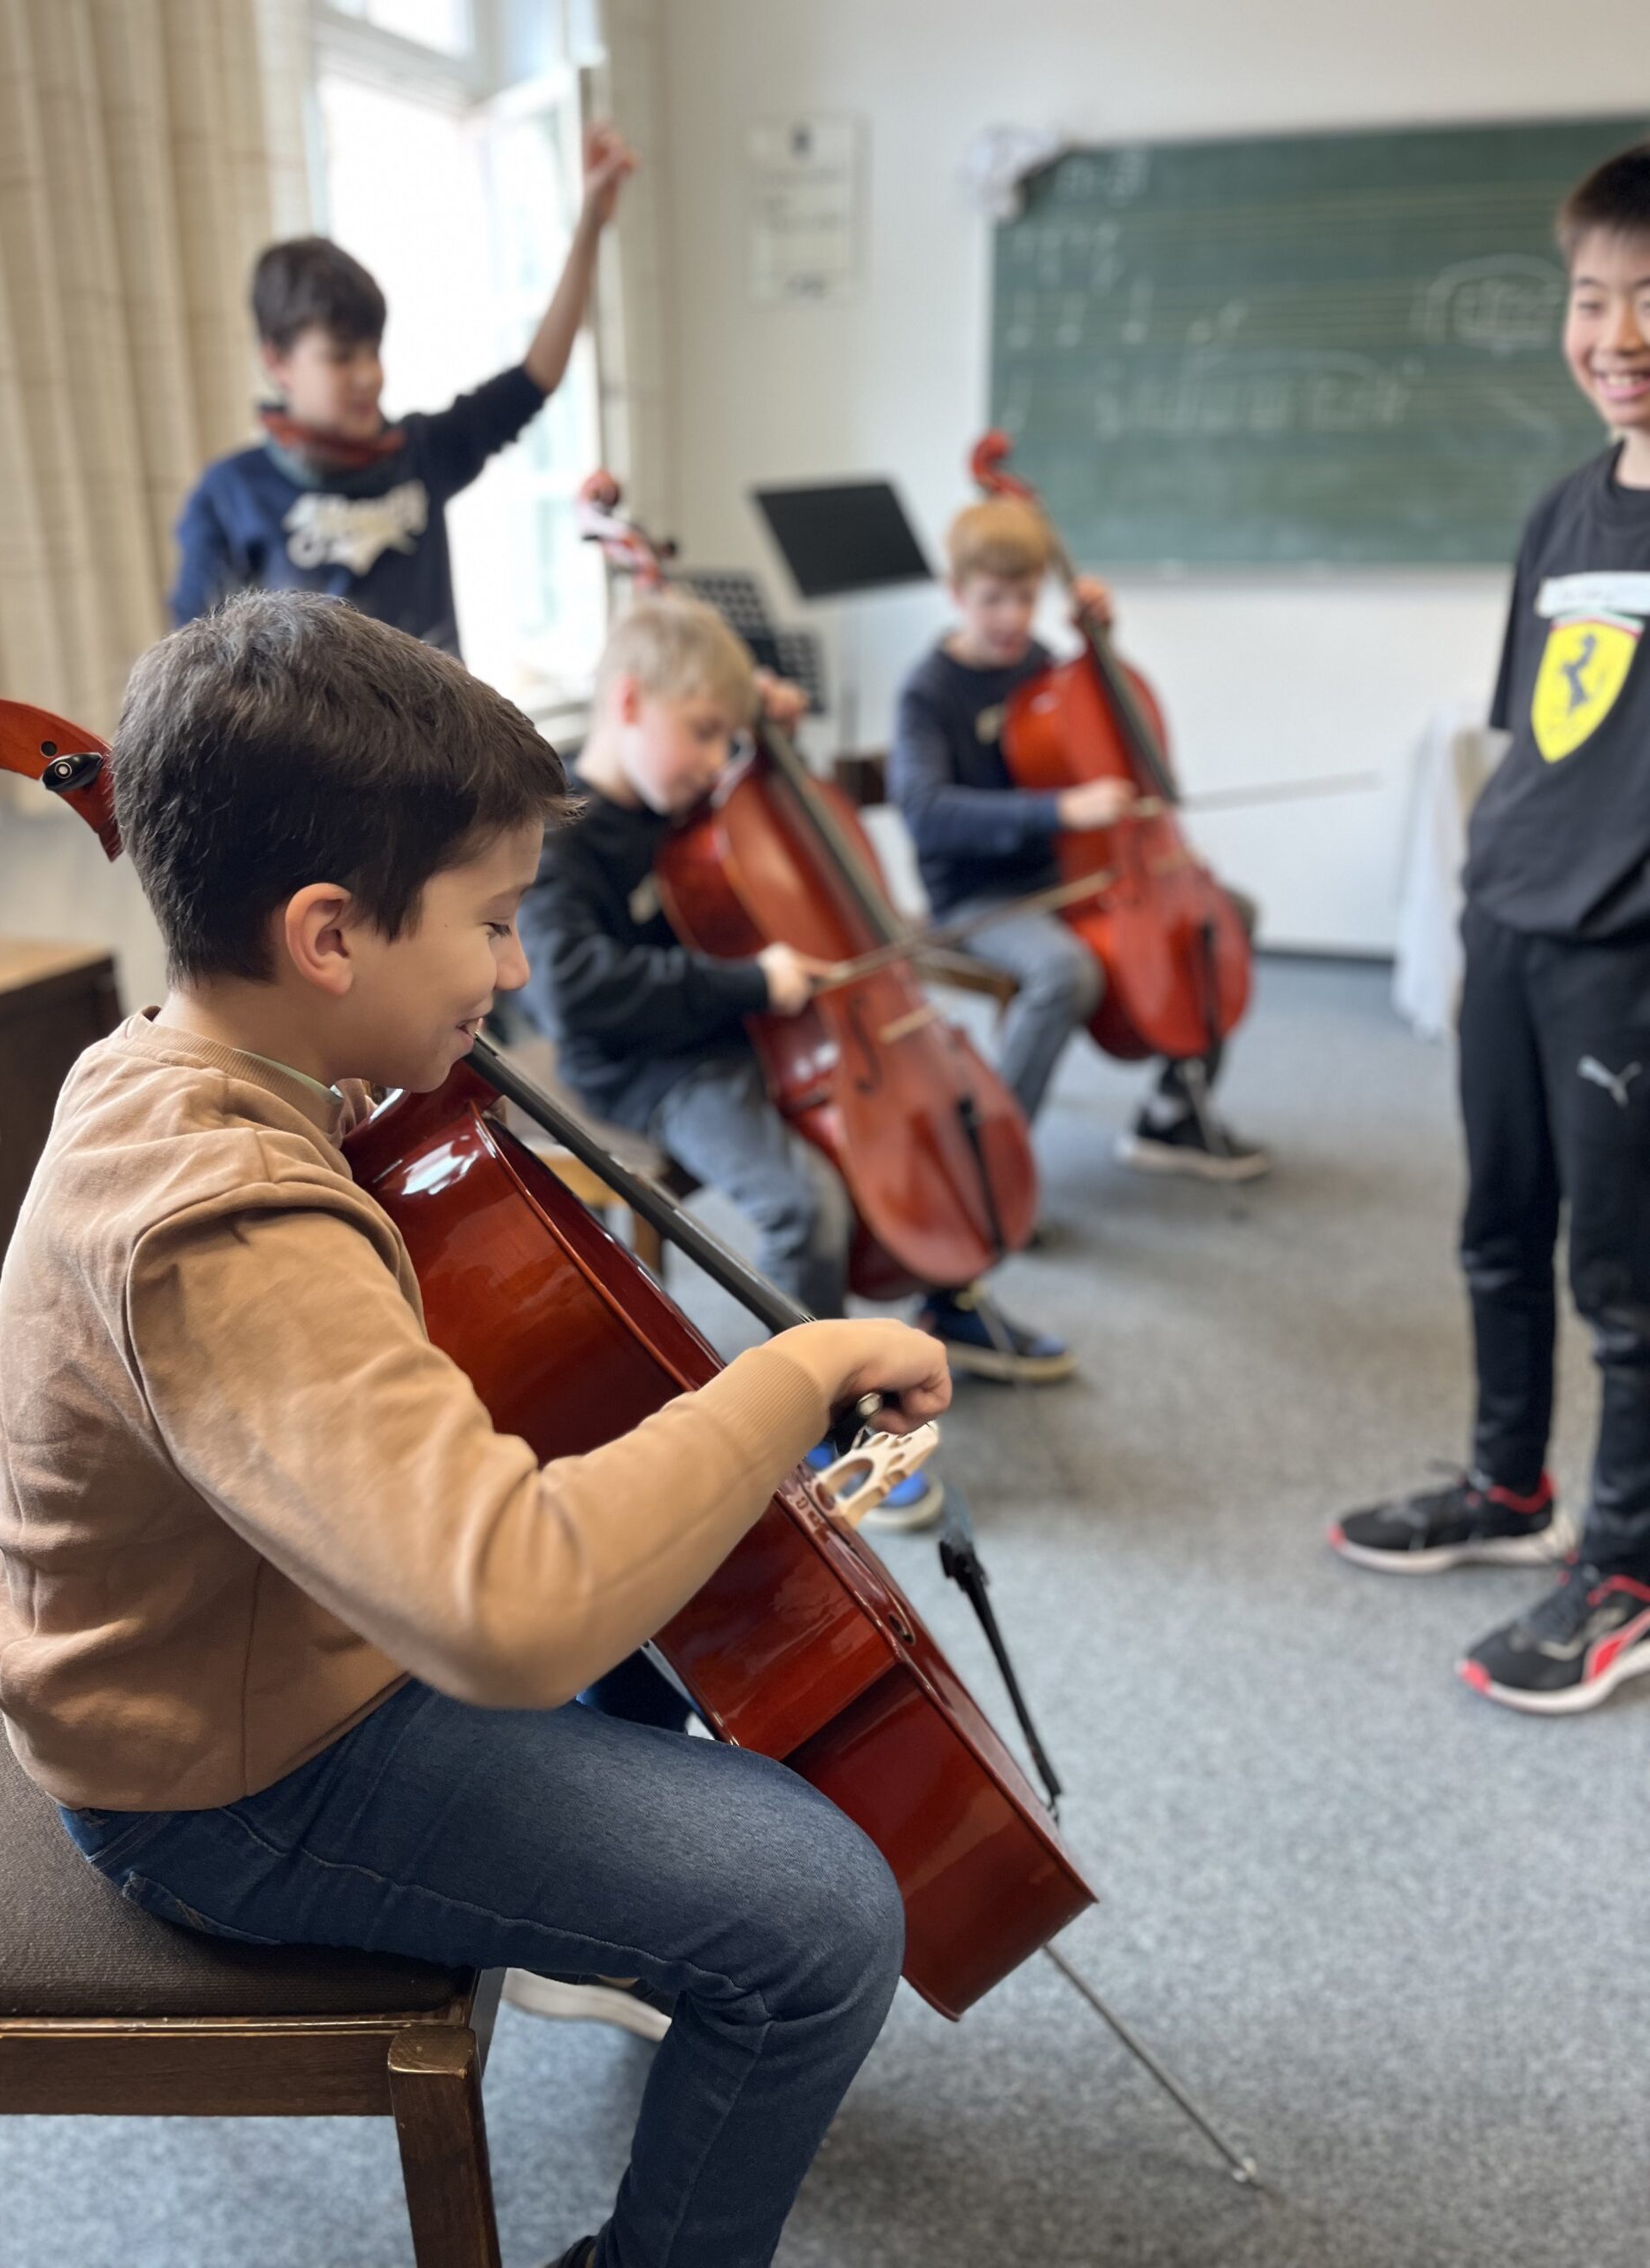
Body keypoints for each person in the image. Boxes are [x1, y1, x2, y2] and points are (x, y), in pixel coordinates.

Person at [0, 591, 953, 2268]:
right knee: (825, 1916)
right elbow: (510, 1615)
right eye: (493, 923)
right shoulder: (223, 1217)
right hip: (222, 1780)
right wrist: (790, 1377)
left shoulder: (188, 1063)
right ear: (328, 939)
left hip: (268, 1639)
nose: (516, 969)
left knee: (665, 1601)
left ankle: (603, 1898)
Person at [1330, 142, 1650, 1715]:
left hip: (1626, 959)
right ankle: (1512, 1488)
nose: (1619, 334)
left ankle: (1631, 1569)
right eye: (1593, 298)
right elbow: (1542, 734)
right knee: (1498, 1232)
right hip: (1514, 919)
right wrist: (1483, 900)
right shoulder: (1565, 513)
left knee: (1628, 1282)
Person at [518, 591, 1078, 1472]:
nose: (717, 760)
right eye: (704, 732)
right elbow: (574, 989)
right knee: (804, 1203)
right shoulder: (559, 831)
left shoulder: (684, 798)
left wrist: (769, 751)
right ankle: (812, 1425)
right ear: (627, 701)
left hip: (751, 1028)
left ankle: (950, 1303)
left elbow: (763, 853)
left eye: (726, 740)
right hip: (650, 1066)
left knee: (913, 1130)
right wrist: (751, 980)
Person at [889, 499, 1268, 1181]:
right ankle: (992, 1169)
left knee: (1225, 916)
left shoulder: (1042, 666)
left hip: (1070, 878)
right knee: (1065, 971)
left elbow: (1103, 745)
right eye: (993, 600)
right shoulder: (929, 692)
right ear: (956, 594)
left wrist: (1100, 648)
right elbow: (925, 812)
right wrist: (1058, 810)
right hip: (977, 897)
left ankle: (1172, 1116)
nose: (1012, 618)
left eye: (1026, 598)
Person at [169, 124, 636, 653]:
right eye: (341, 357)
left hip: (437, 710)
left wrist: (591, 222)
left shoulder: (420, 452)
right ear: (277, 361)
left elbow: (536, 377)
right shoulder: (229, 494)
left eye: (374, 350)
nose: (370, 375)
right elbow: (197, 664)